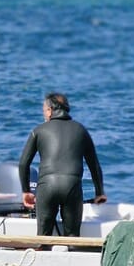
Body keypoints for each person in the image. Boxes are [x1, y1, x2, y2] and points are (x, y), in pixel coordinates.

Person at [19, 92, 107, 236]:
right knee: (72, 238)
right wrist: (99, 192)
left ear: (49, 110)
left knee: (43, 238)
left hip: (47, 187)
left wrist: (26, 191)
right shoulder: (81, 130)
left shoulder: (38, 131)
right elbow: (94, 165)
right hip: (72, 187)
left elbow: (23, 164)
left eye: (43, 111)